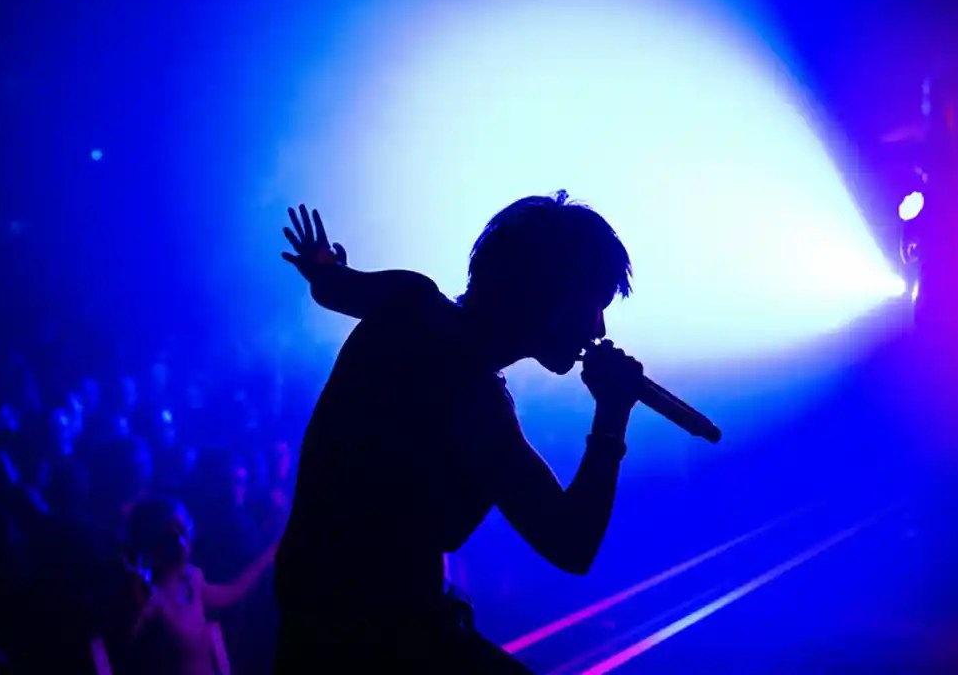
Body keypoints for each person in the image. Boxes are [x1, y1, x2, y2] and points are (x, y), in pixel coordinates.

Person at [273, 194, 643, 673]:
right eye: (595, 304)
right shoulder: (475, 402)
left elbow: (330, 288)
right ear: (548, 293)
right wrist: (611, 416)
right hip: (378, 642)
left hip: (318, 618)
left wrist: (324, 266)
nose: (599, 328)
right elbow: (572, 543)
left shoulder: (410, 301)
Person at [101, 497, 277, 675]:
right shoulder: (147, 596)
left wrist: (270, 555)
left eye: (186, 528)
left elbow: (232, 592)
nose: (184, 538)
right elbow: (117, 649)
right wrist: (138, 603)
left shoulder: (192, 578)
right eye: (175, 531)